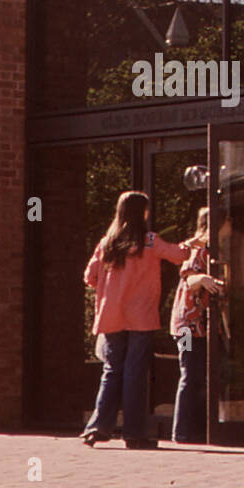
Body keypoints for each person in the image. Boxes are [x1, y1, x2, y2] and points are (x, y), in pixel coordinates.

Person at [83, 190, 190, 449]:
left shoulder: (106, 244)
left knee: (111, 371)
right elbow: (179, 256)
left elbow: (90, 277)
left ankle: (98, 427)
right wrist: (192, 244)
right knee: (135, 374)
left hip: (111, 315)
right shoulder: (149, 242)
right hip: (140, 316)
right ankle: (133, 432)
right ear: (142, 212)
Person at [169, 206, 224, 443]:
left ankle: (196, 428)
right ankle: (182, 430)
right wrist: (202, 279)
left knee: (200, 374)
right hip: (188, 326)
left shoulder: (212, 251)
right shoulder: (198, 250)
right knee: (191, 374)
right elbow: (188, 276)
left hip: (199, 325)